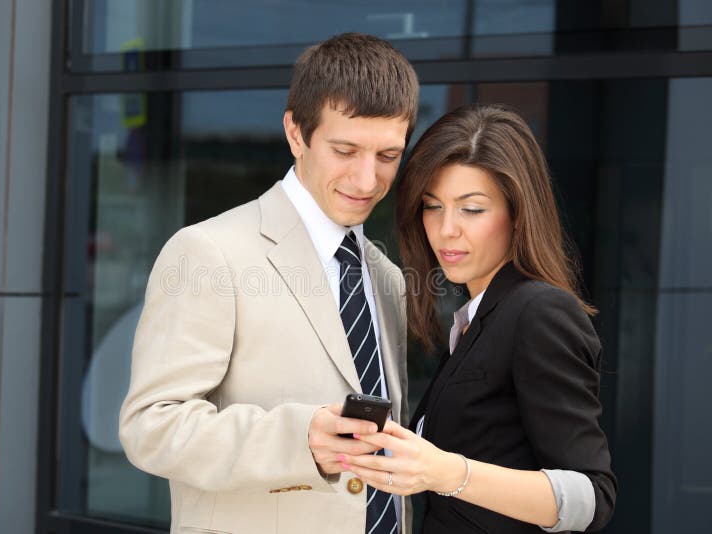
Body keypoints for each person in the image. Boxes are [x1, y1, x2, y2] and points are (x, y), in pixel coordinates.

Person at [119, 33, 419, 534]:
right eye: (345, 150)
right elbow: (150, 426)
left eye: (387, 155)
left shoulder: (387, 278)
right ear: (296, 133)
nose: (368, 181)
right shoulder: (208, 252)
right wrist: (299, 439)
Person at [338, 104, 617, 533]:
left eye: (471, 209)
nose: (446, 229)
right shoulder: (474, 317)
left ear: (518, 212)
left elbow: (591, 497)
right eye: (432, 207)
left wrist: (449, 473)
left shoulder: (539, 312)